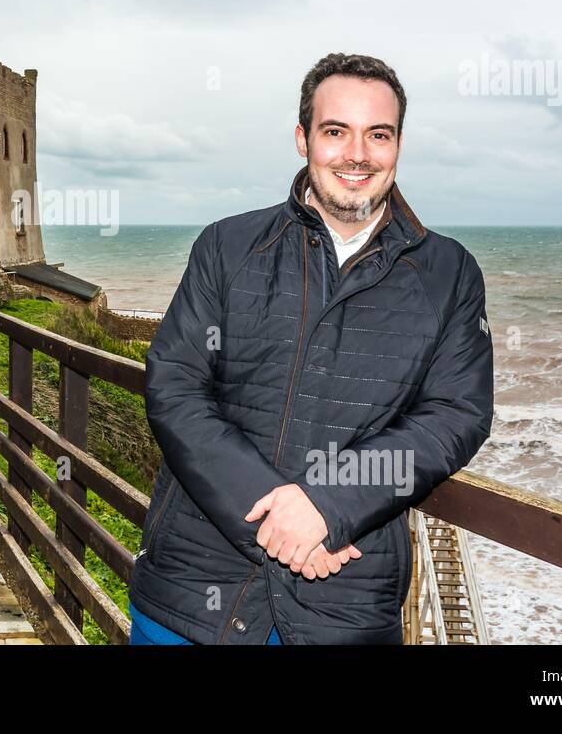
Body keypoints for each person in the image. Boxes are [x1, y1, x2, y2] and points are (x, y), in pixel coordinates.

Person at [127, 52, 494, 645]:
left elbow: (456, 415)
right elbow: (175, 385)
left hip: (343, 602)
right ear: (303, 139)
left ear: (399, 144)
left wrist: (330, 504)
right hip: (192, 592)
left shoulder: (448, 273)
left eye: (378, 134)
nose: (357, 154)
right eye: (335, 131)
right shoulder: (228, 245)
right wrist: (279, 518)